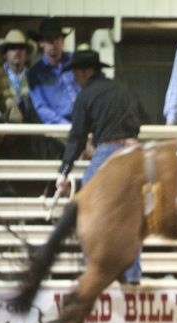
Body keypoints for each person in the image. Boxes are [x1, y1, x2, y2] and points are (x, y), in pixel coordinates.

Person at [55, 50, 146, 284]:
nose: (75, 78)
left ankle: (93, 271)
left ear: (87, 71)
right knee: (131, 215)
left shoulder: (86, 95)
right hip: (135, 153)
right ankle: (132, 275)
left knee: (88, 206)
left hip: (108, 151)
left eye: (76, 72)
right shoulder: (123, 89)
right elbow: (141, 117)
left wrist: (64, 170)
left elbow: (76, 137)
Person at [27, 17, 79, 125]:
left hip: (85, 123)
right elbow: (41, 107)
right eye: (48, 40)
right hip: (58, 128)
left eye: (56, 38)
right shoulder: (35, 73)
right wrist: (64, 125)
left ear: (63, 40)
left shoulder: (76, 61)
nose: (53, 44)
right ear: (41, 43)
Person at [0, 30, 35, 123]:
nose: (17, 51)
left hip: (30, 127)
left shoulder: (35, 76)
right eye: (12, 48)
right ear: (5, 54)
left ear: (26, 54)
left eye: (21, 48)